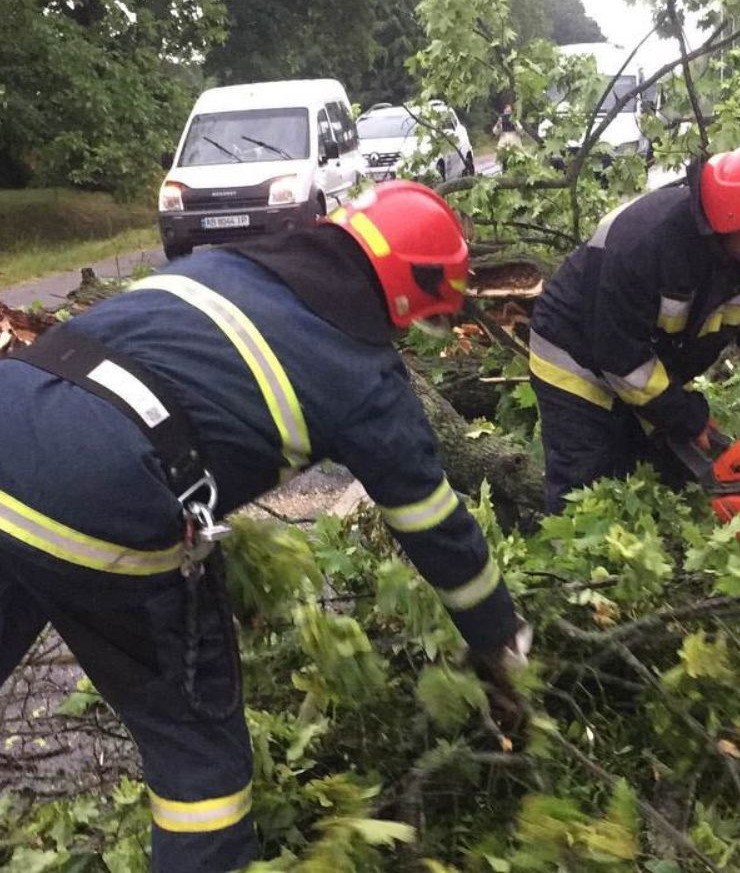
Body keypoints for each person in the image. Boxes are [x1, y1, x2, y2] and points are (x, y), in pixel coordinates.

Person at [0, 182, 528, 871]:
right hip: (100, 500)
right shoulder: (364, 381)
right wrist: (501, 642)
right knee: (200, 768)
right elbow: (437, 529)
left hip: (11, 414)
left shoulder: (228, 264)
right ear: (410, 298)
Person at [528, 138, 740, 513]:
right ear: (730, 217)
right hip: (576, 356)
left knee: (662, 481)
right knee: (588, 488)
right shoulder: (645, 241)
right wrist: (685, 416)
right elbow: (621, 356)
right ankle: (574, 546)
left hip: (649, 362)